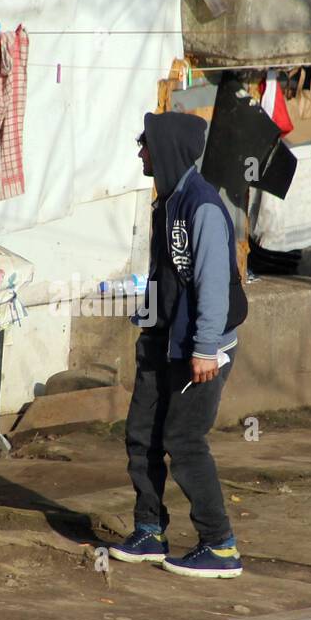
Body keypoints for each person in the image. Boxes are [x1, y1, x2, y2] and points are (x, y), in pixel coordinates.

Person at [109, 111, 248, 578]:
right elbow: (164, 275)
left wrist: (205, 348)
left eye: (144, 144)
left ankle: (220, 544)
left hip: (199, 349)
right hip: (163, 341)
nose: (140, 153)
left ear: (165, 149)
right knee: (141, 436)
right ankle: (150, 530)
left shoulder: (202, 206)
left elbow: (212, 283)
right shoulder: (166, 201)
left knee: (184, 440)